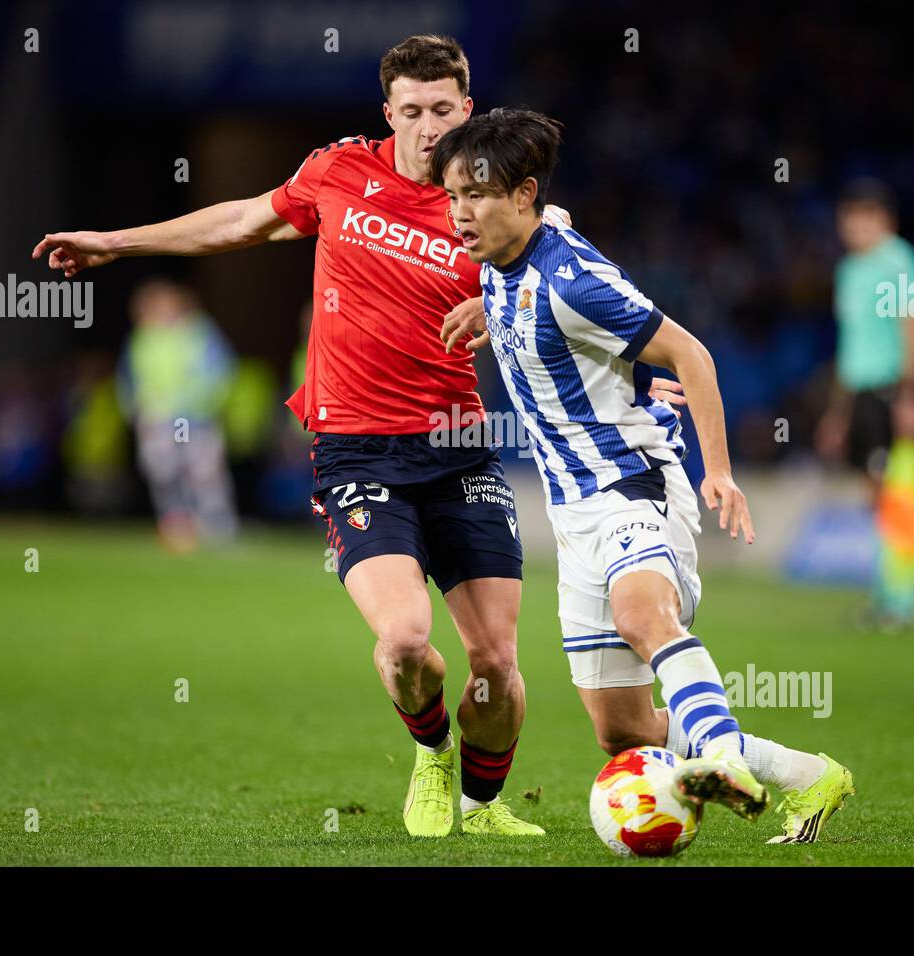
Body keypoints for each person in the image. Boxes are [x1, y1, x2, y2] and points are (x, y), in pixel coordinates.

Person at [33, 36, 548, 836]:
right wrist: (117, 242)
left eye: (443, 110)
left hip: (457, 449)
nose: (428, 128)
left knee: (497, 664)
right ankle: (432, 751)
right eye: (411, 112)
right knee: (408, 642)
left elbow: (561, 271)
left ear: (467, 111)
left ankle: (482, 809)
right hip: (356, 447)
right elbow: (243, 219)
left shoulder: (493, 209)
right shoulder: (340, 172)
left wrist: (505, 300)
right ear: (389, 114)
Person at [433, 108, 854, 843]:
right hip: (572, 513)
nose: (461, 213)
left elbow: (692, 356)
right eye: (453, 196)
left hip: (635, 483)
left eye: (477, 195)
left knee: (642, 618)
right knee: (622, 734)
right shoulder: (503, 255)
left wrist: (717, 471)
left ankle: (721, 757)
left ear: (522, 195)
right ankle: (808, 777)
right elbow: (539, 249)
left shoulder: (575, 281)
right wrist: (487, 307)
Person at [815, 179, 914, 629]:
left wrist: (911, 394)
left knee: (898, 491)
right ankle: (888, 591)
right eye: (849, 216)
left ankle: (903, 600)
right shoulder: (849, 271)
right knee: (876, 493)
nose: (854, 226)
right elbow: (849, 346)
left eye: (864, 215)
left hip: (890, 389)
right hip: (860, 393)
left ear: (885, 219)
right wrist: (838, 414)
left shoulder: (899, 260)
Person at [117, 279, 238, 549]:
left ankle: (216, 528)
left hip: (196, 418)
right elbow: (129, 378)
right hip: (157, 420)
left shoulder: (198, 332)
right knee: (164, 474)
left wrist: (197, 402)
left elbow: (219, 374)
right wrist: (135, 409)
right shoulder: (143, 337)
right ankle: (176, 527)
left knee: (205, 474)